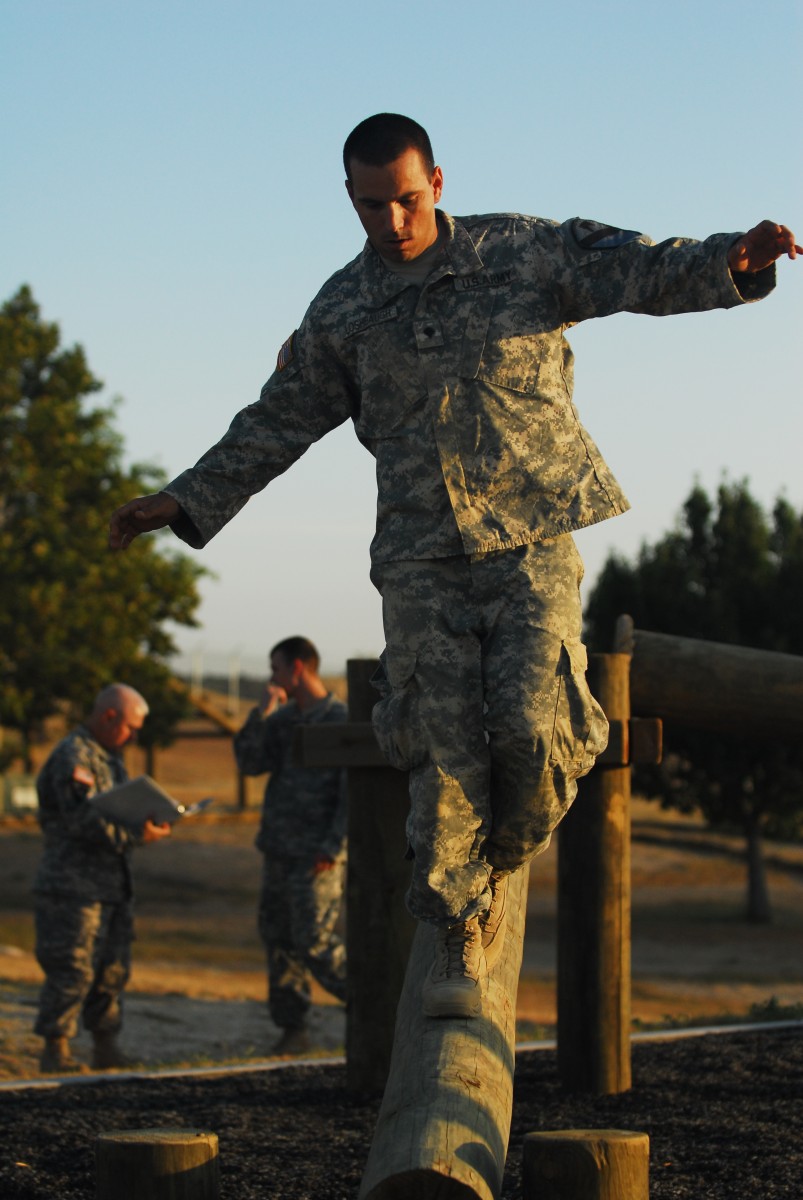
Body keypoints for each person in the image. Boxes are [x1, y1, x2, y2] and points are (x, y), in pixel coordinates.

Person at [109, 113, 800, 1021]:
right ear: (348, 200)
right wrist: (183, 498)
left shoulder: (517, 252)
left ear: (436, 179)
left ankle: (514, 828)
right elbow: (278, 419)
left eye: (404, 198)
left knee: (533, 736)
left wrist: (732, 263)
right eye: (370, 207)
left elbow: (633, 266)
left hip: (531, 536)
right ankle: (457, 929)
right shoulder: (341, 311)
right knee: (440, 751)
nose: (391, 222)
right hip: (419, 556)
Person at [33, 683, 171, 1072]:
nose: (134, 736)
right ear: (109, 716)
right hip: (72, 887)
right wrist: (137, 834)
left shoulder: (110, 758)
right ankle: (55, 1051)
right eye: (130, 727)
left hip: (111, 885)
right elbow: (82, 820)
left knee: (111, 971)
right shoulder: (74, 756)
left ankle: (105, 1048)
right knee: (71, 969)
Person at [233, 636, 347, 1055]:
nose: (272, 677)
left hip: (317, 855)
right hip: (279, 851)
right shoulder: (280, 722)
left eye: (276, 668)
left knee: (314, 942)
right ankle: (292, 1030)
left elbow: (349, 796)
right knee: (279, 940)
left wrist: (333, 846)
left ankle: (373, 1006)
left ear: (297, 669)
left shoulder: (341, 721)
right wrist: (260, 716)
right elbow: (249, 764)